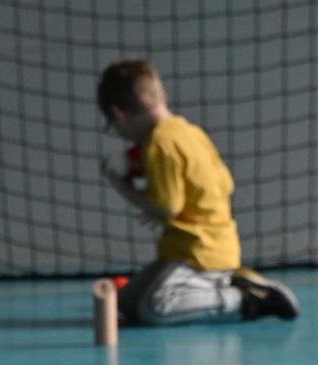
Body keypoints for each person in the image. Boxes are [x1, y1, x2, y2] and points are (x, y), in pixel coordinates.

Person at [97, 58, 300, 326]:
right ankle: (234, 281)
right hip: (198, 249)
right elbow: (223, 183)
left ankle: (248, 300)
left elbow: (168, 208)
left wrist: (123, 186)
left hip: (198, 254)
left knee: (155, 309)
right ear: (162, 96)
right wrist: (157, 202)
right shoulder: (190, 132)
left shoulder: (159, 143)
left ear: (119, 113)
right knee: (123, 304)